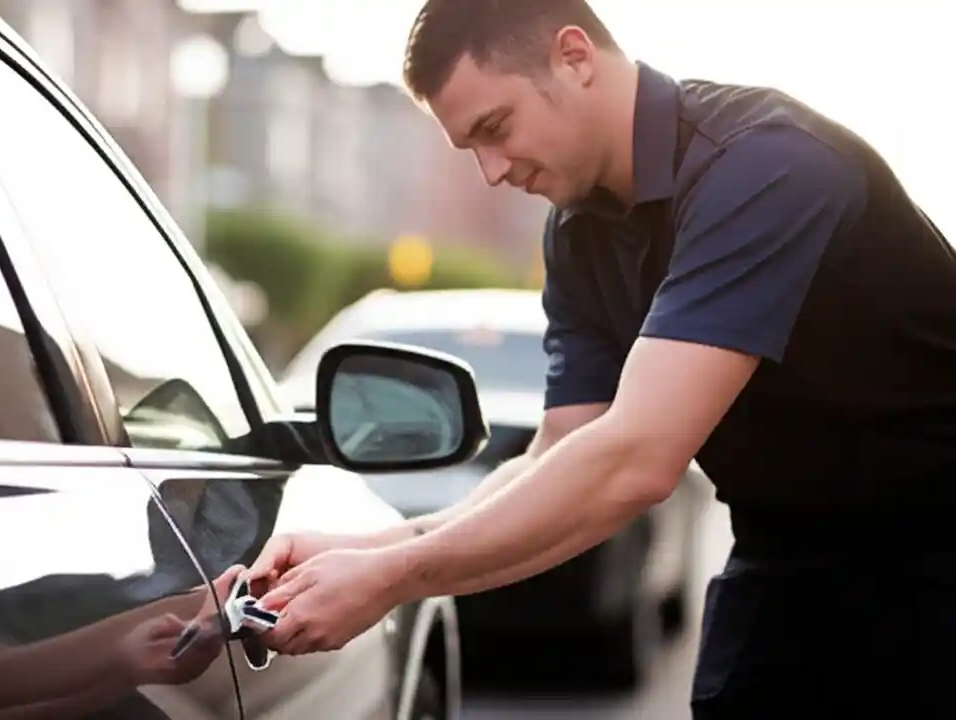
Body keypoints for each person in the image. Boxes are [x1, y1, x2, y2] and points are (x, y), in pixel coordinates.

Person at [247, 0, 956, 716]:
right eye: (471, 149)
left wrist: (391, 579)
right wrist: (366, 550)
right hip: (783, 550)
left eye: (496, 128)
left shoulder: (766, 164)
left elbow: (638, 459)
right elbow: (565, 449)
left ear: (575, 57)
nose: (492, 171)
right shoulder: (575, 235)